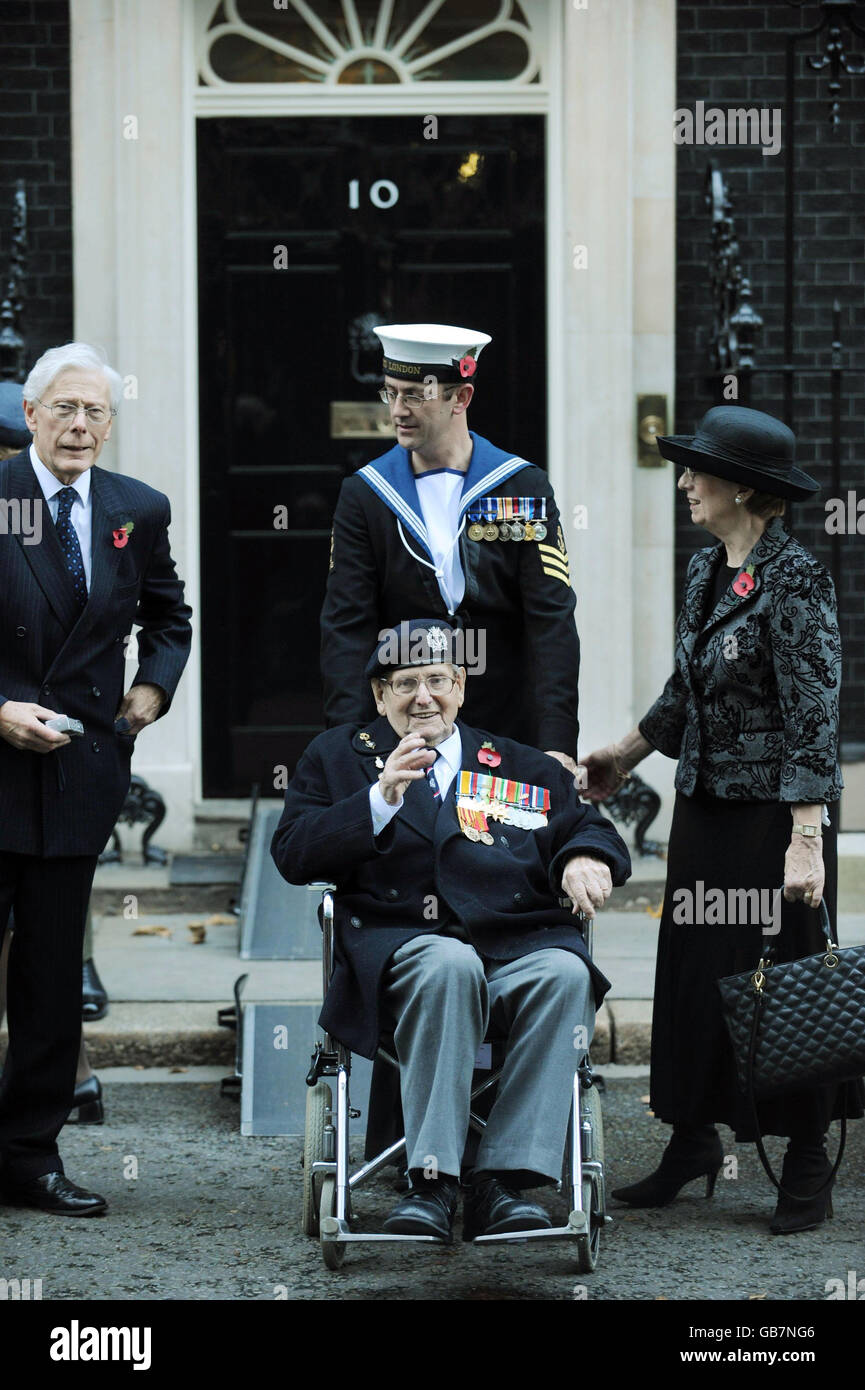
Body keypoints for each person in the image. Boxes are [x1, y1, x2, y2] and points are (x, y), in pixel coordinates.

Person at [581, 404, 863, 1235]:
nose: (683, 482)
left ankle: (806, 1152)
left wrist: (805, 841)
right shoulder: (709, 570)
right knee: (697, 970)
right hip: (704, 807)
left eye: (696, 471)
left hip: (774, 820)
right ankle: (692, 1141)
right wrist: (621, 756)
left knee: (782, 976)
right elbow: (685, 694)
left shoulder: (797, 579)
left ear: (741, 487)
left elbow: (815, 715)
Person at [273, 618, 629, 1242]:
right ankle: (432, 1183)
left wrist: (583, 857)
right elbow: (295, 854)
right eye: (405, 683)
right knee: (448, 964)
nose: (423, 697)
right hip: (400, 948)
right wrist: (378, 800)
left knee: (564, 970)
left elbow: (587, 825)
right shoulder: (337, 757)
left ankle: (504, 1181)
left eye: (437, 679)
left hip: (512, 943)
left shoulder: (515, 763)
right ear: (380, 697)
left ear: (460, 686)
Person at [0, 342, 192, 1216]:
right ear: (31, 416)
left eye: (96, 413)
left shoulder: (135, 508)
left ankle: (28, 1156)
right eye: (64, 410)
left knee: (50, 978)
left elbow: (169, 614)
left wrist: (152, 684)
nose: (80, 425)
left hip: (79, 770)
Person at [320, 323, 581, 778]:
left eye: (415, 396)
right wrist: (350, 744)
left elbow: (551, 621)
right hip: (405, 722)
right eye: (390, 394)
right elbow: (347, 628)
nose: (397, 411)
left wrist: (556, 742)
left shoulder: (521, 485)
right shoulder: (366, 494)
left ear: (461, 397)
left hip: (506, 720)